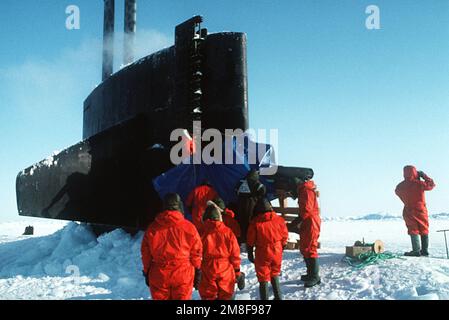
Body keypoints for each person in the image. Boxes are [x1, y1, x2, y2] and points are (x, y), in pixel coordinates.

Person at [141, 193, 202, 300]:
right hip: (183, 273)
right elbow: (196, 252)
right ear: (180, 206)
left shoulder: (152, 228)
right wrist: (197, 270)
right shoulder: (189, 227)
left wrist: (147, 271)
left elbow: (146, 253)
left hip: (159, 273)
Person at [198, 202, 245, 300]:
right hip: (225, 268)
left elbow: (196, 252)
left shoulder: (201, 232)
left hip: (207, 268)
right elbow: (235, 254)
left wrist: (197, 270)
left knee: (208, 296)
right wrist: (237, 271)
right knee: (226, 295)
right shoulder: (228, 232)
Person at [247, 198, 288, 300]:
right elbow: (284, 236)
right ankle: (278, 297)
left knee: (263, 277)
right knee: (275, 273)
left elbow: (250, 240)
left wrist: (250, 253)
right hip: (277, 249)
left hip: (262, 251)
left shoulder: (255, 223)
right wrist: (281, 247)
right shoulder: (279, 219)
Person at [395, 166, 435, 257]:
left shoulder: (400, 186)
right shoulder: (420, 184)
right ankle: (424, 250)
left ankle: (416, 250)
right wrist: (424, 176)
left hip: (409, 210)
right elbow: (431, 185)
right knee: (424, 229)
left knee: (413, 229)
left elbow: (397, 191)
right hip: (421, 210)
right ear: (415, 173)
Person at [295, 178, 322, 288]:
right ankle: (310, 274)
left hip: (311, 222)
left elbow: (306, 209)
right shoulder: (304, 189)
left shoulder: (306, 190)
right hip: (307, 221)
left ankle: (315, 276)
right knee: (305, 247)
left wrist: (295, 222)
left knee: (310, 248)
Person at [236, 169, 266, 243]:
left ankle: (241, 240)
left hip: (240, 205)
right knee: (250, 224)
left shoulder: (241, 183)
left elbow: (236, 191)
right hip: (251, 206)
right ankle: (248, 241)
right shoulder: (257, 184)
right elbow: (263, 192)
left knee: (241, 222)